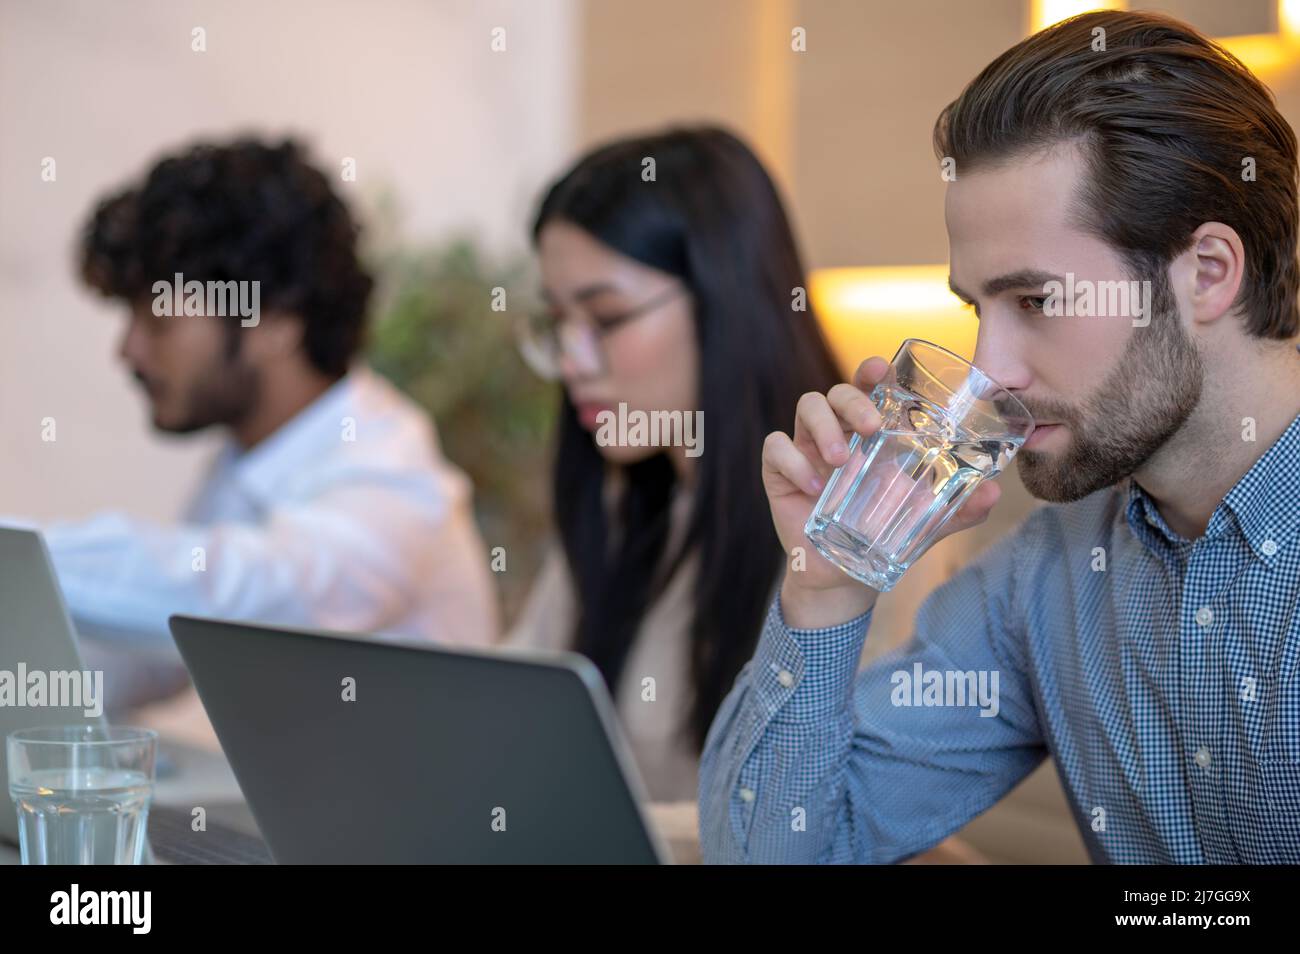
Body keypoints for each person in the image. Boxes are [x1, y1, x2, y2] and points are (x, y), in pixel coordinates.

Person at [701, 10, 1300, 863]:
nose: (990, 370)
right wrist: (826, 589)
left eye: (1037, 301)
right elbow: (784, 852)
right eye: (977, 308)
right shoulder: (1048, 573)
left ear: (1205, 274)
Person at [4, 137, 498, 711]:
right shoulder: (249, 464)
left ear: (274, 321)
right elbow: (145, 662)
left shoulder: (396, 479)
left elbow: (247, 595)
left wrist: (19, 559)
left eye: (158, 321)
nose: (128, 351)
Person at [506, 127, 842, 802]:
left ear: (727, 300)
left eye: (605, 320)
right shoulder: (621, 504)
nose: (571, 363)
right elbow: (502, 719)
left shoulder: (845, 524)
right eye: (557, 324)